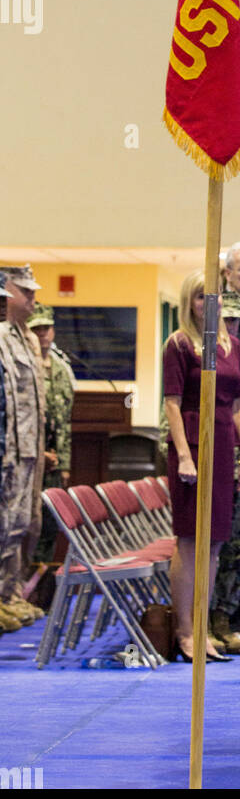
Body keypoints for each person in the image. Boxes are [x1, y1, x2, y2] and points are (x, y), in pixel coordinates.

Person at [162, 271, 240, 662]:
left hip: (225, 444)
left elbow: (238, 407)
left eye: (210, 296)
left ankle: (202, 630)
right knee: (188, 540)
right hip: (193, 444)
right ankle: (184, 631)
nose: (205, 304)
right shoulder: (179, 344)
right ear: (188, 302)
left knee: (214, 544)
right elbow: (172, 404)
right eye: (199, 297)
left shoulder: (230, 345)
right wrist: (183, 454)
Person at [209, 288, 240, 655]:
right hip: (213, 461)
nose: (230, 327)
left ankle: (227, 617)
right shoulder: (205, 359)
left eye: (235, 321)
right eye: (224, 321)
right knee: (213, 545)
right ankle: (205, 619)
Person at [0, 264, 46, 629]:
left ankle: (10, 593)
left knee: (22, 524)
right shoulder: (2, 336)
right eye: (25, 291)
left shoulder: (25, 336)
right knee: (4, 525)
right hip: (10, 449)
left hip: (29, 447)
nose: (33, 298)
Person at [28, 304, 75, 564]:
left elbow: (65, 422)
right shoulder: (23, 366)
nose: (43, 334)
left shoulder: (61, 369)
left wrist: (64, 464)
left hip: (54, 464)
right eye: (37, 329)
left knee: (49, 526)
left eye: (46, 328)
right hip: (30, 460)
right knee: (26, 526)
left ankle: (40, 586)